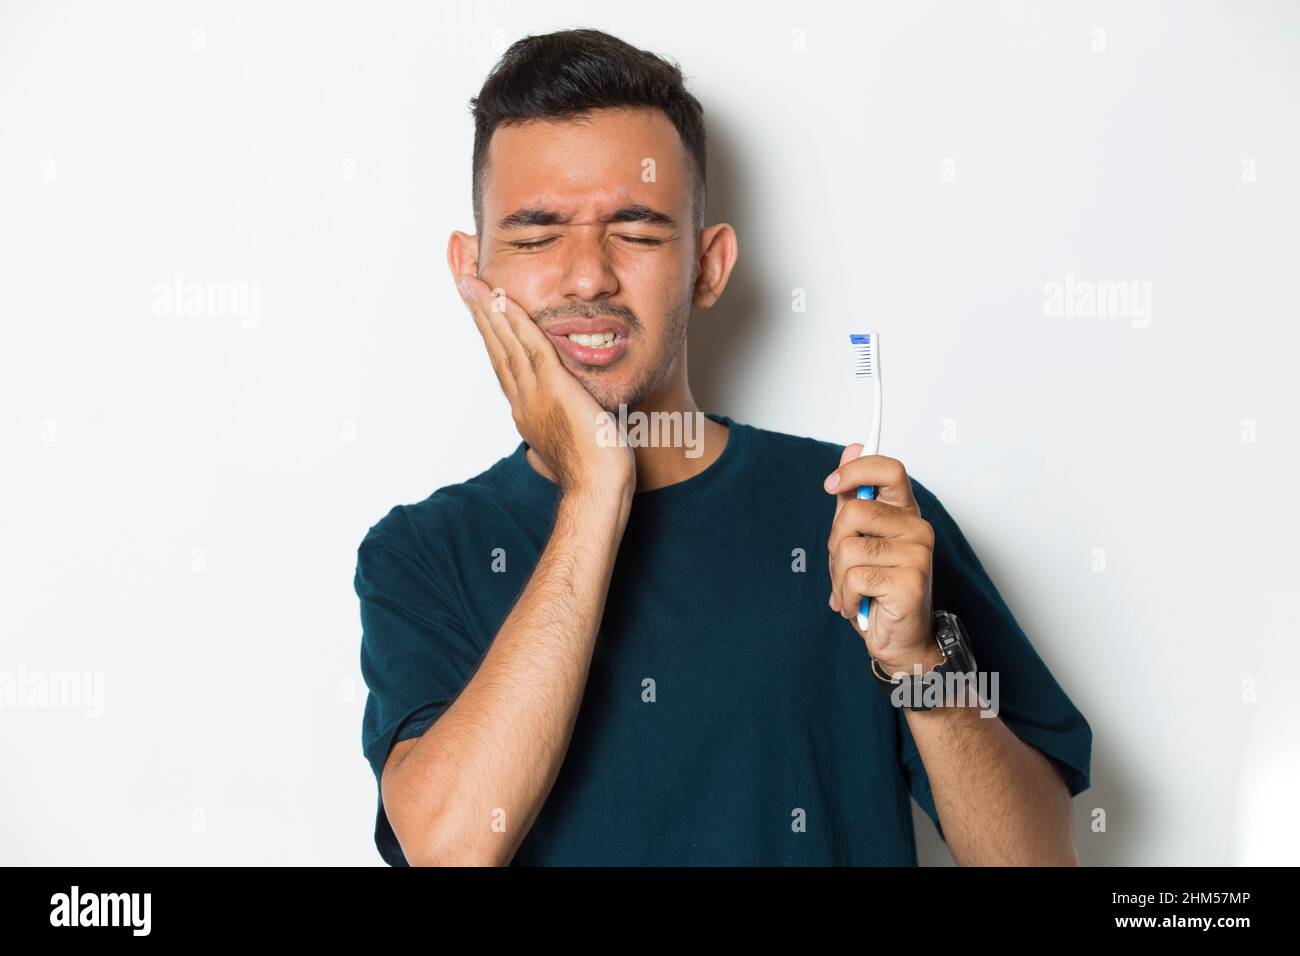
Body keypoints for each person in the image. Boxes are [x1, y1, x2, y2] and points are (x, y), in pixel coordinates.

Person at [356, 28, 1092, 866]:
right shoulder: (421, 554)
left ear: (708, 267)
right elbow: (449, 849)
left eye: (634, 232)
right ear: (473, 272)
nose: (588, 275)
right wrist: (597, 486)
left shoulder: (857, 512)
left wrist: (921, 662)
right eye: (535, 236)